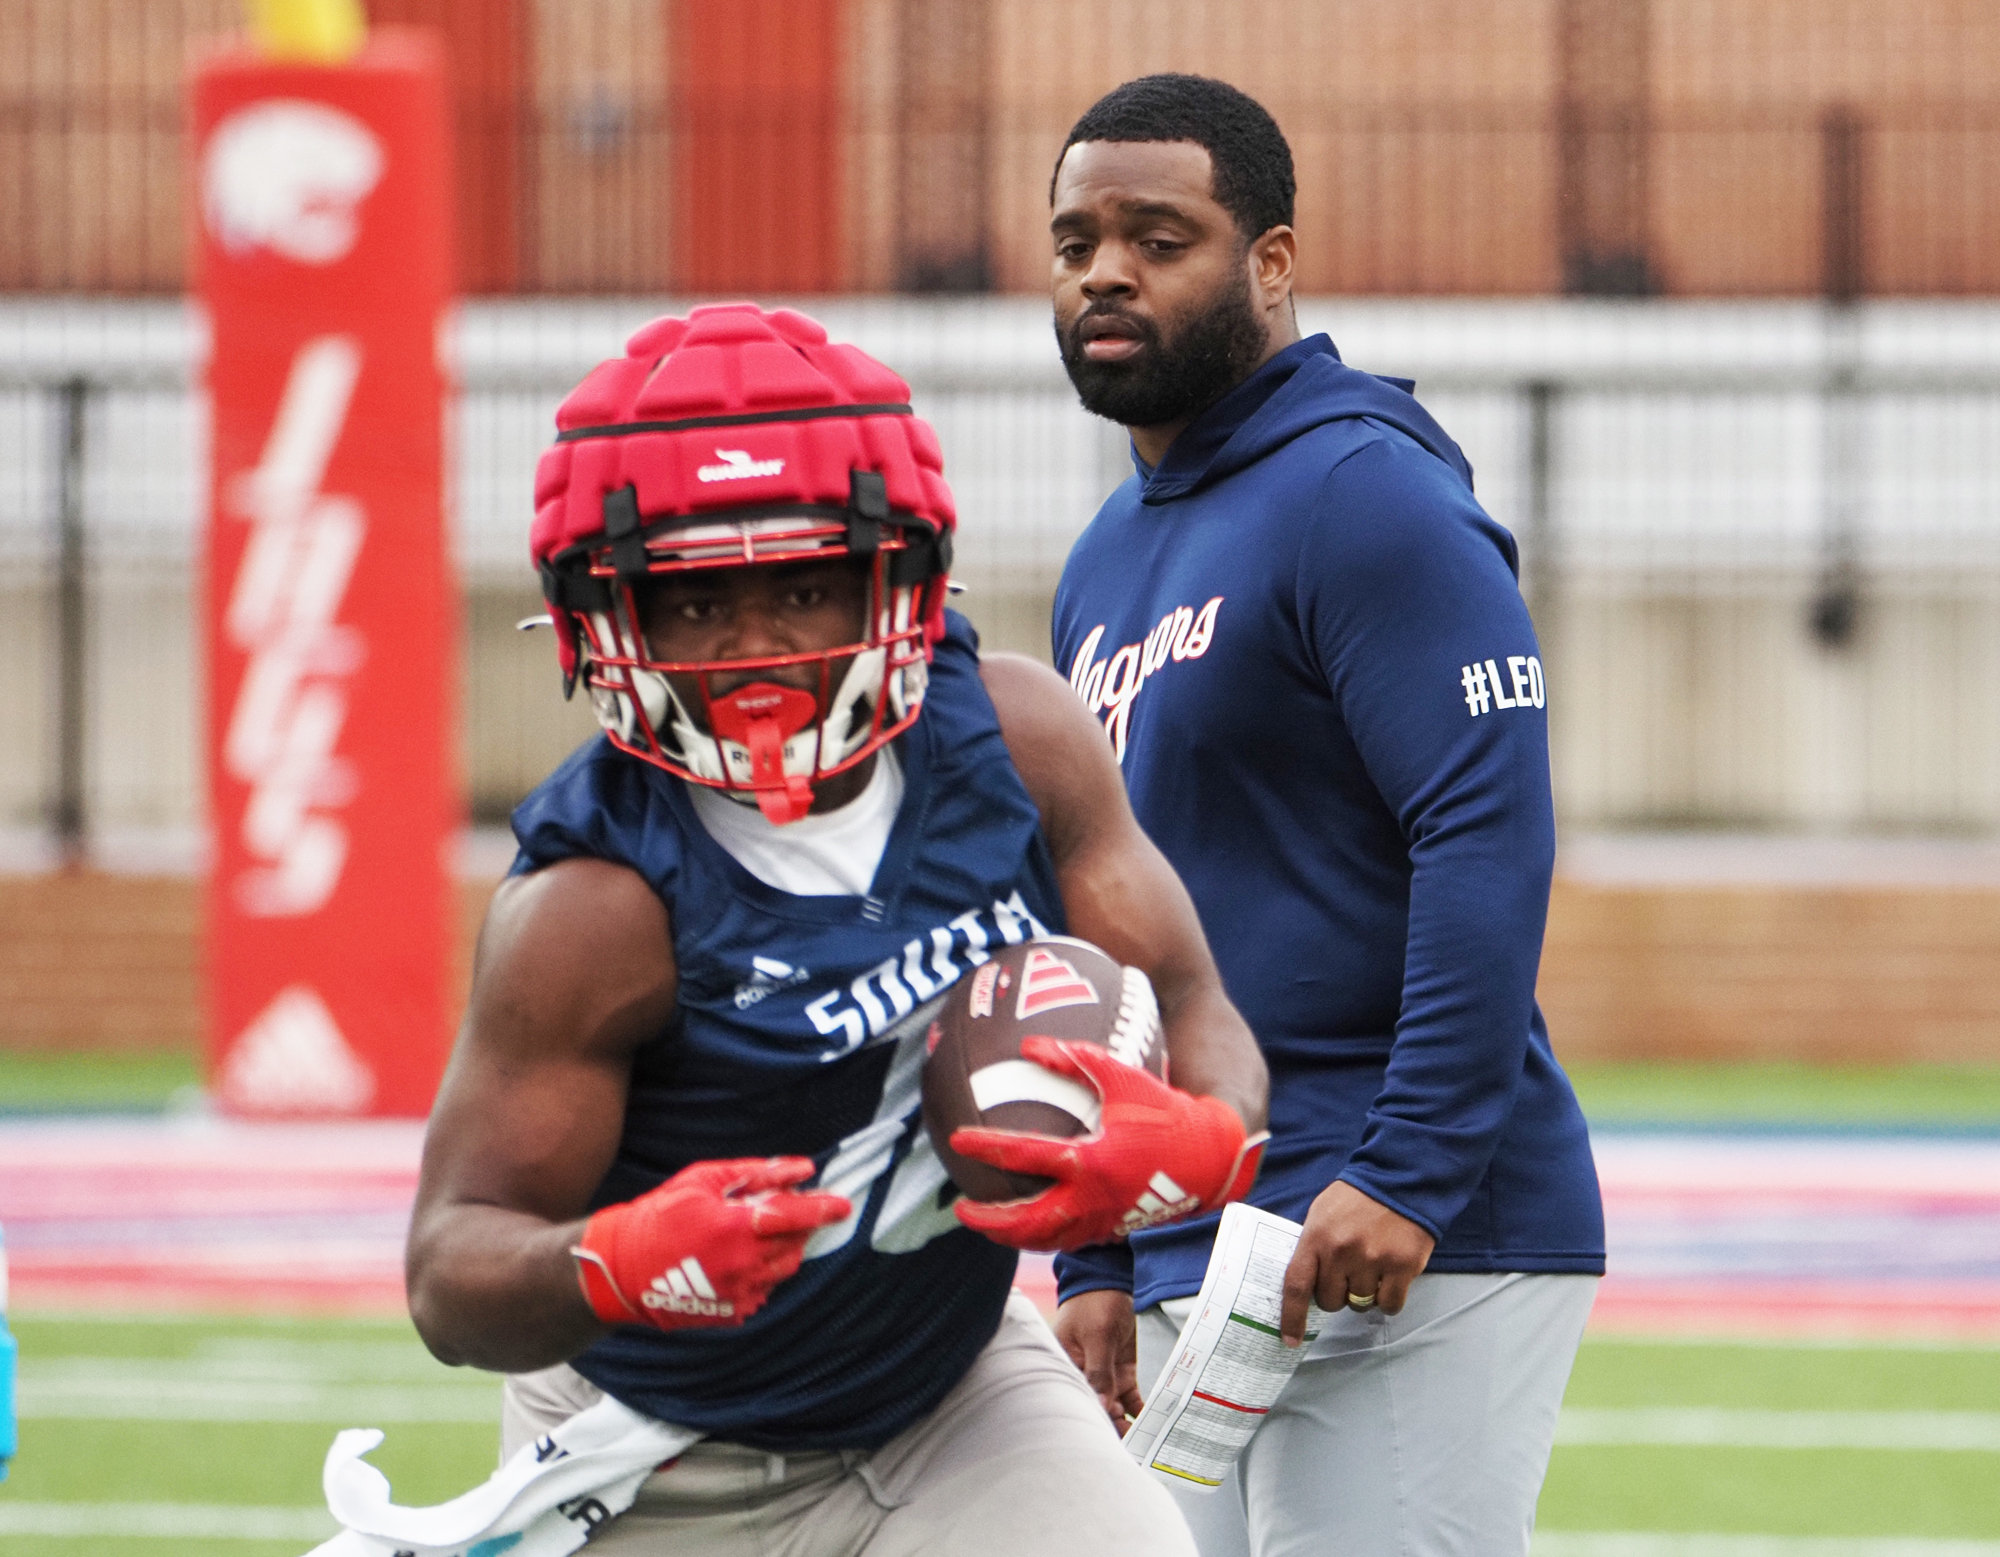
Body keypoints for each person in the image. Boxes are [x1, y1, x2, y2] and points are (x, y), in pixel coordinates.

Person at [403, 302, 1270, 1556]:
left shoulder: (1016, 747)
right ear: (608, 620)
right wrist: (613, 1259)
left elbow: (1193, 1008)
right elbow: (448, 1276)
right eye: (696, 603)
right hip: (649, 1434)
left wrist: (1199, 1139)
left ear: (899, 577)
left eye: (804, 588)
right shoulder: (593, 907)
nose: (755, 649)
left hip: (947, 1399)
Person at [1044, 76, 1606, 1557]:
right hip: (1195, 1236)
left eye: (1159, 237)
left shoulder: (1366, 495)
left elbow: (1485, 834)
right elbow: (1102, 915)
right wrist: (1090, 1243)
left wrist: (1410, 1168)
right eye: (1077, 240)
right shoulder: (1105, 555)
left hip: (1400, 1234)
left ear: (1270, 264)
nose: (1107, 269)